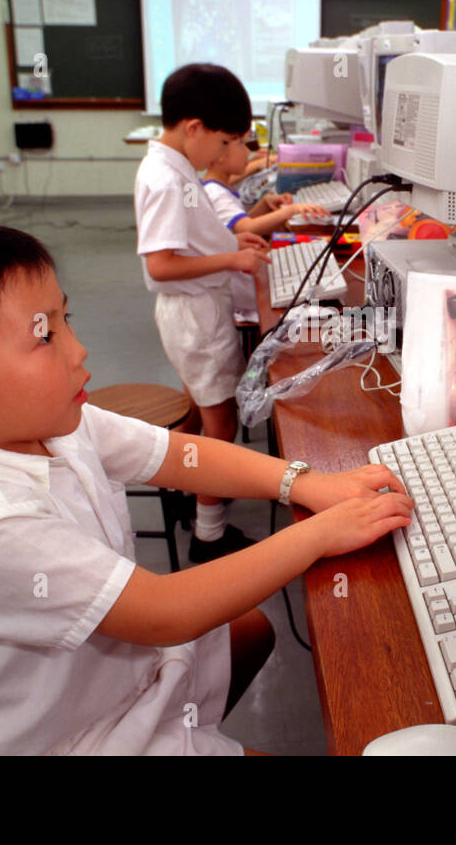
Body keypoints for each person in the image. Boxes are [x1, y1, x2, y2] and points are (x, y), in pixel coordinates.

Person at [0, 218, 411, 755]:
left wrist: (302, 483)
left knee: (252, 629)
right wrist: (320, 535)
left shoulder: (47, 422)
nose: (79, 349)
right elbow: (163, 614)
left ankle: (188, 731)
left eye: (64, 318)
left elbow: (177, 456)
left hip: (109, 677)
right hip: (60, 739)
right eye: (44, 337)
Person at [134, 64, 272, 562]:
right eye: (224, 142)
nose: (223, 155)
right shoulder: (167, 179)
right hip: (195, 316)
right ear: (194, 128)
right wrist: (234, 258)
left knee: (201, 411)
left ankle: (189, 492)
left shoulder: (175, 168)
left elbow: (187, 241)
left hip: (194, 313)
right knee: (221, 426)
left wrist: (229, 239)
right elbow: (162, 264)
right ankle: (209, 535)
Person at [202, 131, 331, 322]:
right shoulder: (217, 193)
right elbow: (247, 228)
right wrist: (291, 210)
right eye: (242, 144)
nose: (248, 152)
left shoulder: (216, 187)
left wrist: (264, 204)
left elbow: (236, 226)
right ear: (220, 154)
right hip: (243, 290)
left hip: (239, 283)